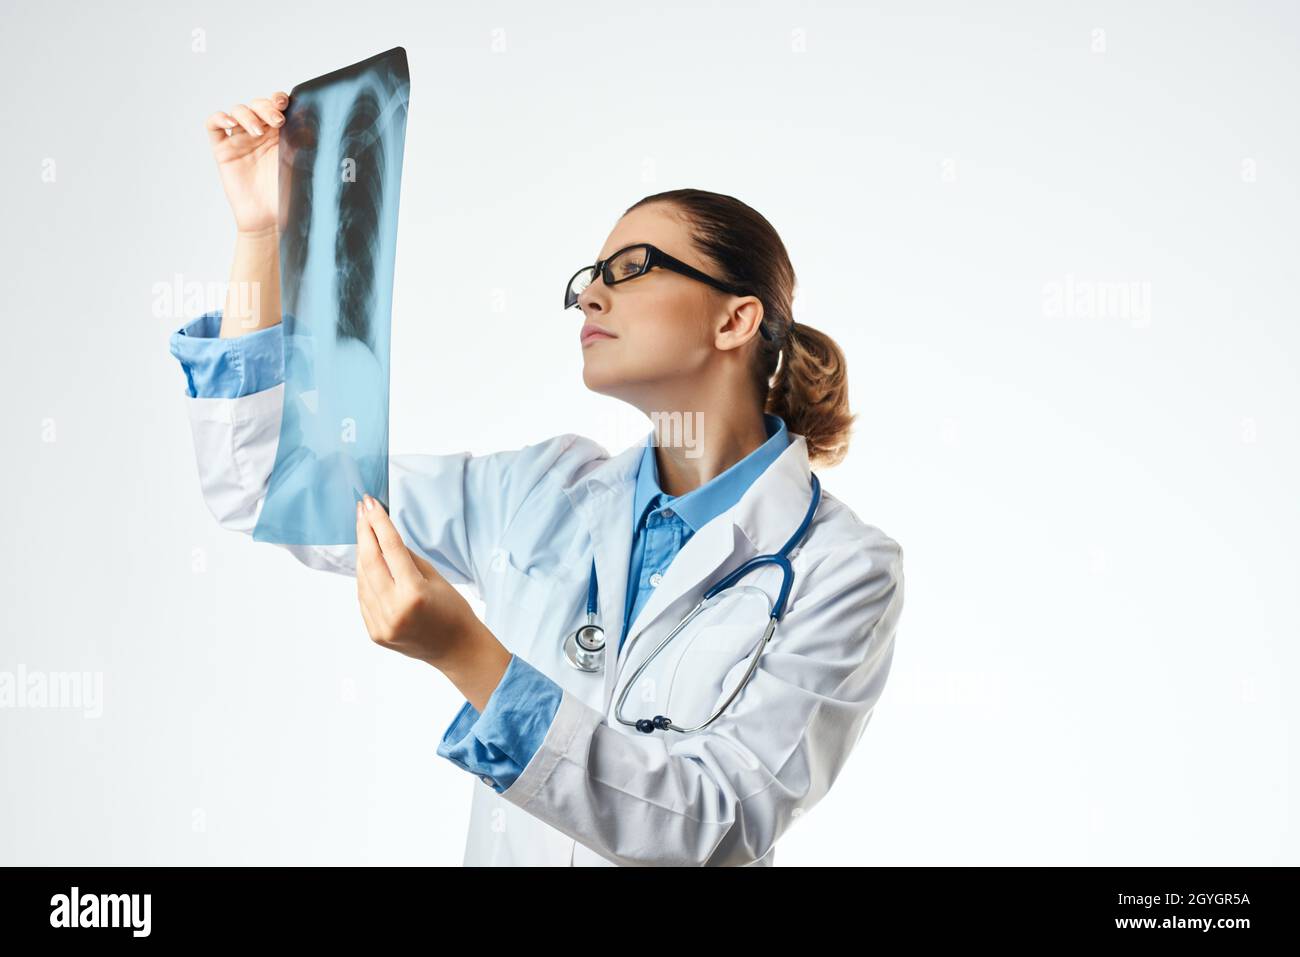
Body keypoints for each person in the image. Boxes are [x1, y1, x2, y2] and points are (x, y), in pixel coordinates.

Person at [169, 90, 906, 867]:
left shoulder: (843, 568)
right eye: (591, 274)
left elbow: (714, 827)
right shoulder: (541, 490)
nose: (590, 293)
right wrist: (261, 234)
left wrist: (466, 653)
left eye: (631, 269)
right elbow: (271, 488)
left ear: (735, 321)